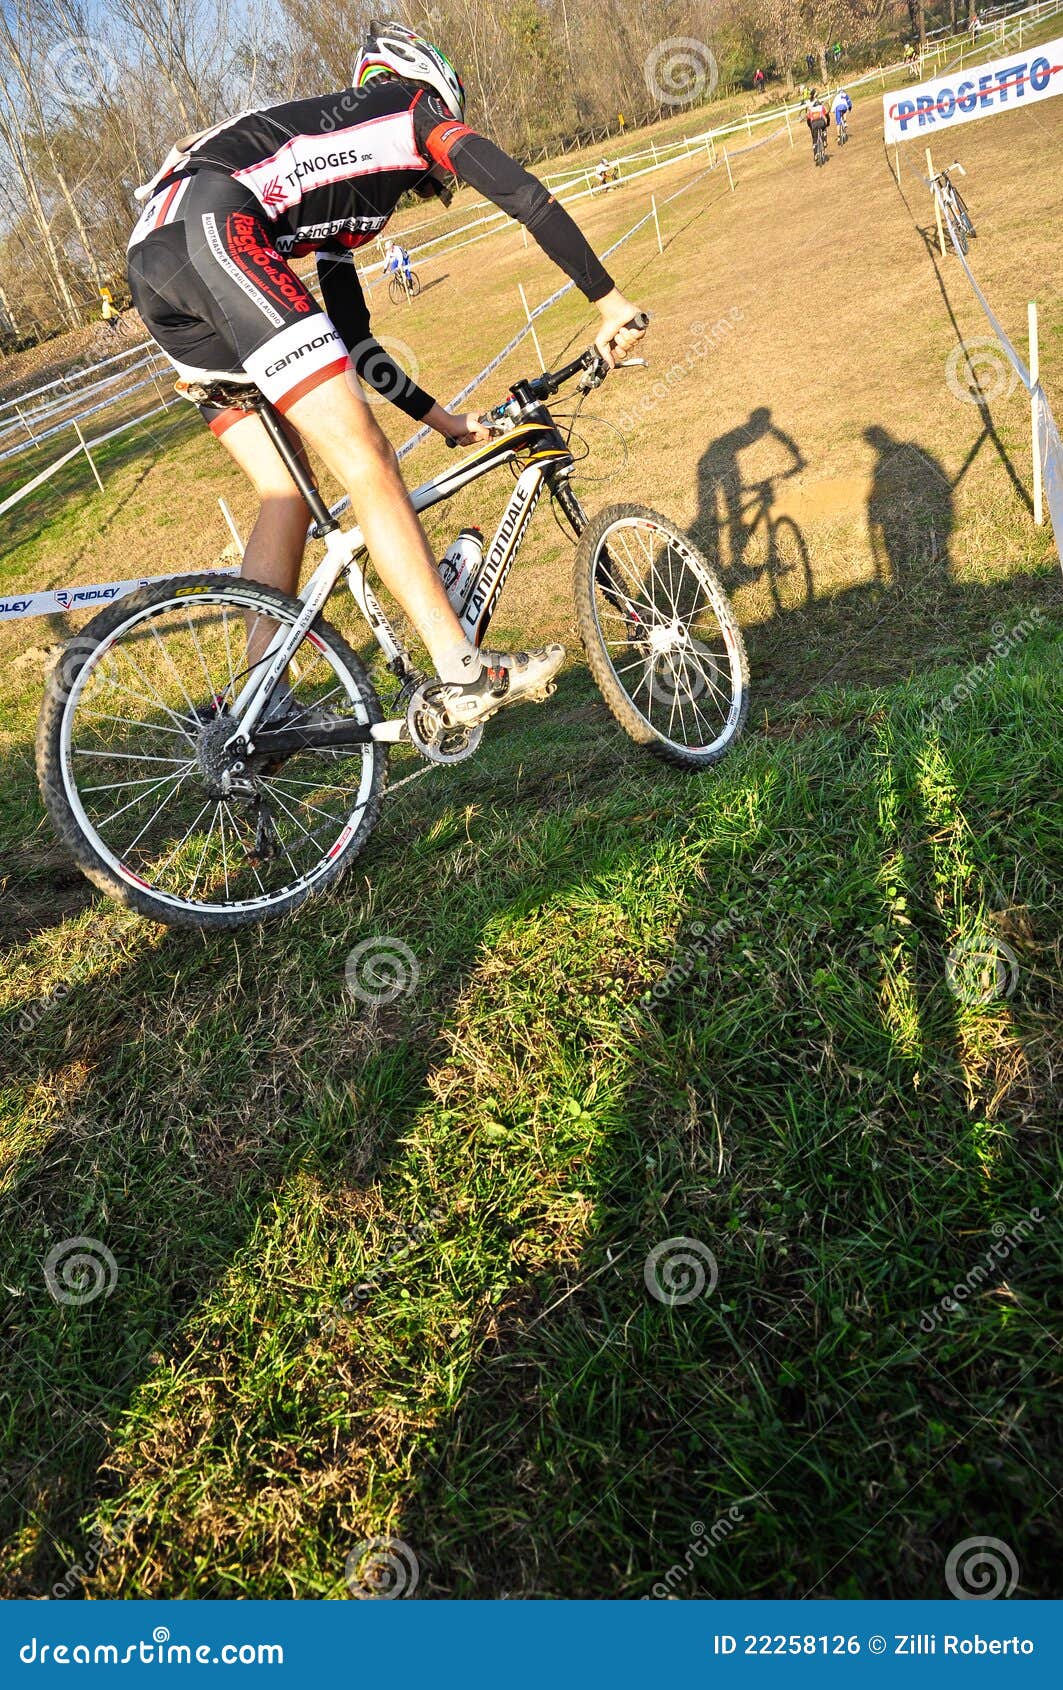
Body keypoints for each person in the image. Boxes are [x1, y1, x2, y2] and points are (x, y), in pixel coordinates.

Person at [127, 22, 646, 729]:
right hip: (214, 228)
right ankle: (462, 668)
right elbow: (525, 196)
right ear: (429, 86)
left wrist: (442, 420)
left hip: (159, 265)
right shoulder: (409, 113)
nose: (436, 175)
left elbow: (355, 335)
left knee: (284, 491)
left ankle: (258, 700)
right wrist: (609, 301)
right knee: (365, 458)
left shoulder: (343, 193)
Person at [805, 92, 830, 159]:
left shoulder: (811, 110)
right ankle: (824, 141)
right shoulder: (821, 107)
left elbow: (808, 119)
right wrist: (828, 123)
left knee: (815, 139)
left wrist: (810, 127)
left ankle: (815, 154)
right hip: (821, 122)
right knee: (824, 128)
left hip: (813, 124)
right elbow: (827, 115)